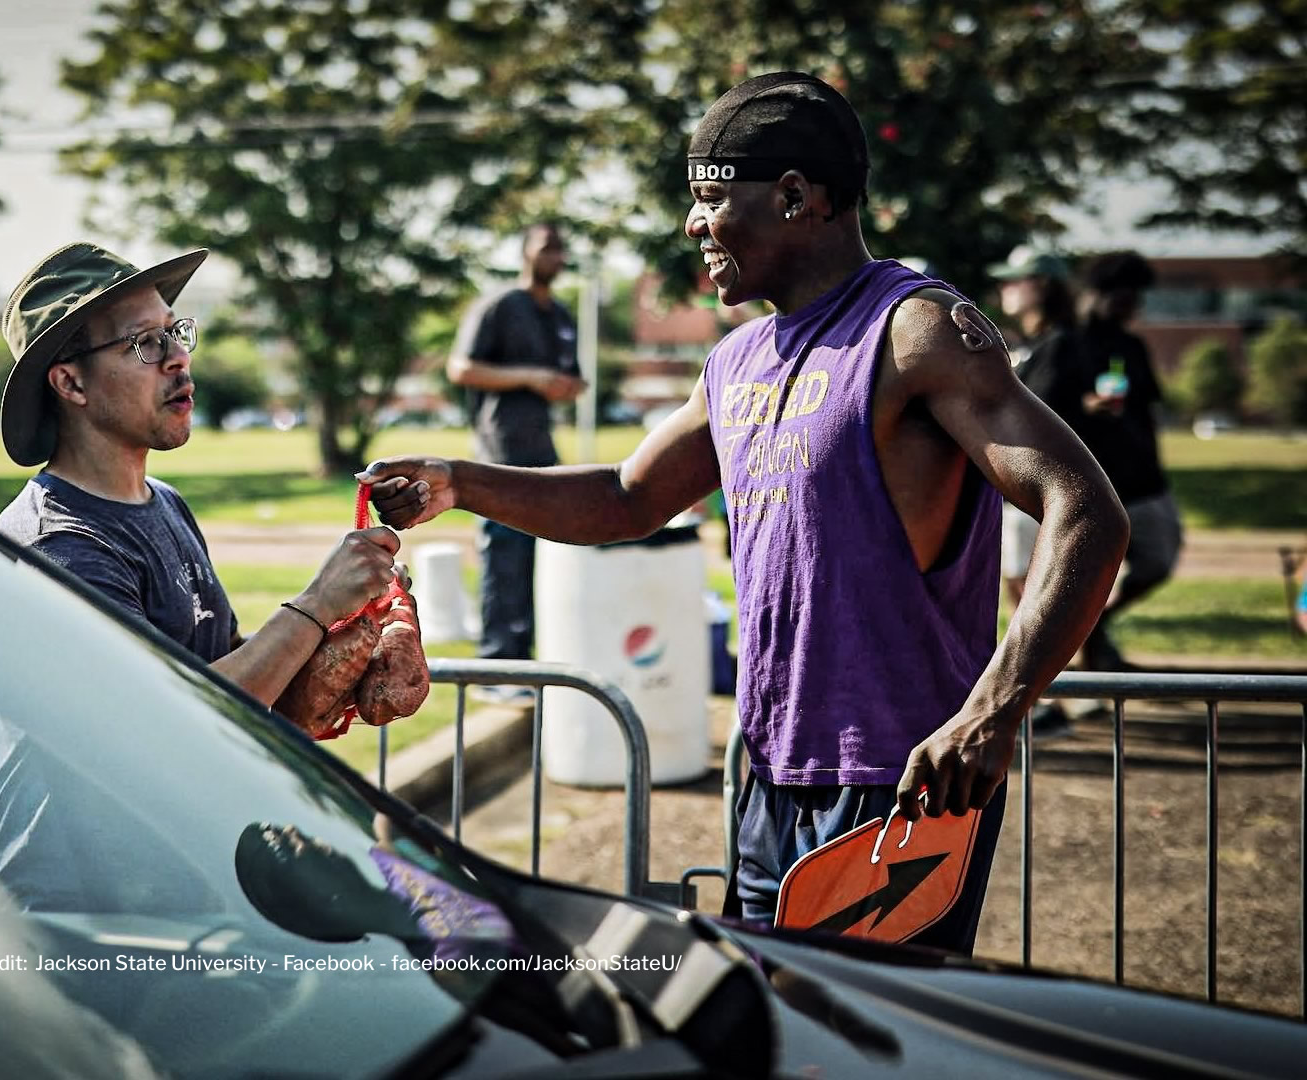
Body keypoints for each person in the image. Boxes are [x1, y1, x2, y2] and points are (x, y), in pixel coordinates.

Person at [359, 72, 1127, 952]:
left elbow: (1086, 511)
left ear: (796, 196)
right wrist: (461, 481)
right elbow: (628, 497)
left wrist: (992, 712)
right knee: (773, 1025)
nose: (693, 226)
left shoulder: (915, 328)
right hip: (768, 774)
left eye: (710, 198)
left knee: (864, 1042)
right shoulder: (737, 360)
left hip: (899, 784)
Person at [0, 241, 401, 909]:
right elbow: (165, 724)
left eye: (175, 331)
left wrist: (354, 635)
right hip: (68, 917)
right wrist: (316, 604)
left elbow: (228, 673)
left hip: (164, 886)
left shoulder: (164, 504)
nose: (177, 357)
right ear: (71, 383)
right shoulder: (61, 547)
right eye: (143, 343)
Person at [447, 223, 586, 704]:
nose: (556, 255)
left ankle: (524, 662)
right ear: (524, 251)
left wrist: (566, 385)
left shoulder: (561, 315)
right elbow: (460, 368)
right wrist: (530, 376)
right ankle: (493, 671)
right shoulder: (500, 305)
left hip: (541, 452)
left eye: (560, 247)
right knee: (504, 556)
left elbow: (570, 376)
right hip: (499, 451)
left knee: (543, 558)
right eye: (547, 246)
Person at [1025, 251, 1182, 671]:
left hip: (1142, 481)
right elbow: (1035, 411)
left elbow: (1147, 410)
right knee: (1077, 576)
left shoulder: (1131, 346)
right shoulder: (1064, 345)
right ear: (1093, 293)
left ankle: (1094, 625)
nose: (1128, 304)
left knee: (1158, 560)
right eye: (1118, 294)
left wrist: (1155, 464)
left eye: (1134, 296)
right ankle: (1081, 653)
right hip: (1089, 484)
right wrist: (1084, 408)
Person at [989, 245, 1081, 737]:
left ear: (1040, 285)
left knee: (1032, 600)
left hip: (1038, 498)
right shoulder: (1038, 344)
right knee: (1023, 595)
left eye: (1014, 279)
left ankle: (1046, 702)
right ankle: (1046, 700)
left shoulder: (1060, 347)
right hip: (1023, 499)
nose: (1005, 288)